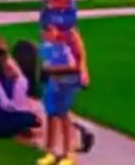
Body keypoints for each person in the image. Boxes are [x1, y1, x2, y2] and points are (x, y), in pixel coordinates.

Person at [0, 37, 41, 143]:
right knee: (31, 118)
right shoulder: (6, 77)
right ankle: (15, 130)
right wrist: (17, 76)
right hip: (2, 118)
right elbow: (15, 105)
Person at [39, 24, 84, 165]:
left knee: (63, 115)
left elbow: (72, 65)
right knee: (50, 116)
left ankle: (68, 153)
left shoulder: (63, 48)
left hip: (64, 84)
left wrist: (52, 69)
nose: (45, 34)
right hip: (52, 84)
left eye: (49, 31)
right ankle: (50, 150)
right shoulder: (45, 48)